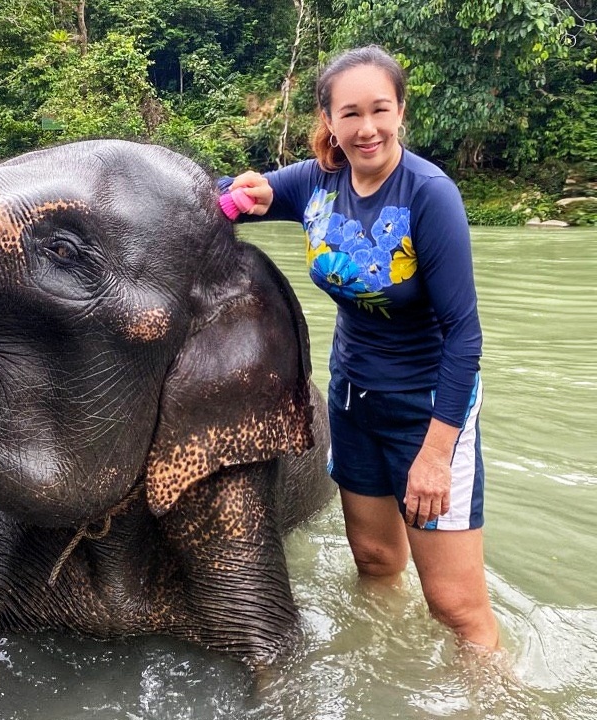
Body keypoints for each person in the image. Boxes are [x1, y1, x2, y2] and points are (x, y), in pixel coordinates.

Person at [223, 45, 499, 649]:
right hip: (352, 399)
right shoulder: (315, 183)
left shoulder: (428, 195)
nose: (366, 128)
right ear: (329, 120)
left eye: (380, 110)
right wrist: (226, 199)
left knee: (455, 606)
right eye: (350, 114)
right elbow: (227, 201)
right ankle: (387, 678)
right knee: (375, 562)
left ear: (400, 110)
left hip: (427, 410)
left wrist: (435, 456)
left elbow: (465, 337)